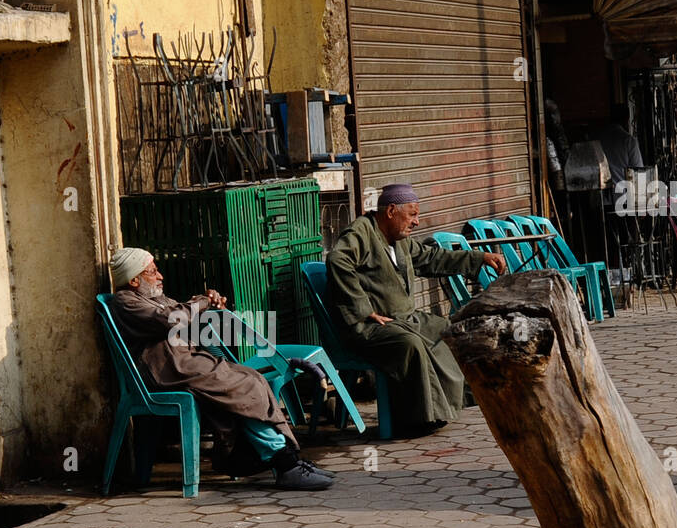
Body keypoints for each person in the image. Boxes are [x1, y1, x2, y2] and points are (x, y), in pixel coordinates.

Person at [107, 247, 334, 491]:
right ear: (133, 280)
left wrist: (212, 307)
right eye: (153, 272)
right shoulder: (126, 302)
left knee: (251, 378)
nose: (161, 276)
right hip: (169, 373)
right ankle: (285, 464)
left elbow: (185, 319)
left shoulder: (153, 299)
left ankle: (287, 458)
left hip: (185, 367)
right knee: (244, 385)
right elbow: (172, 319)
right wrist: (201, 302)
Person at [326, 183, 506, 437]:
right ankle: (416, 420)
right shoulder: (362, 233)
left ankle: (448, 407)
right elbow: (338, 260)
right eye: (412, 214)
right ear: (391, 211)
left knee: (447, 331)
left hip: (404, 319)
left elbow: (433, 258)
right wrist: (364, 309)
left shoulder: (400, 242)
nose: (417, 222)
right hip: (369, 327)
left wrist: (478, 258)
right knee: (409, 344)